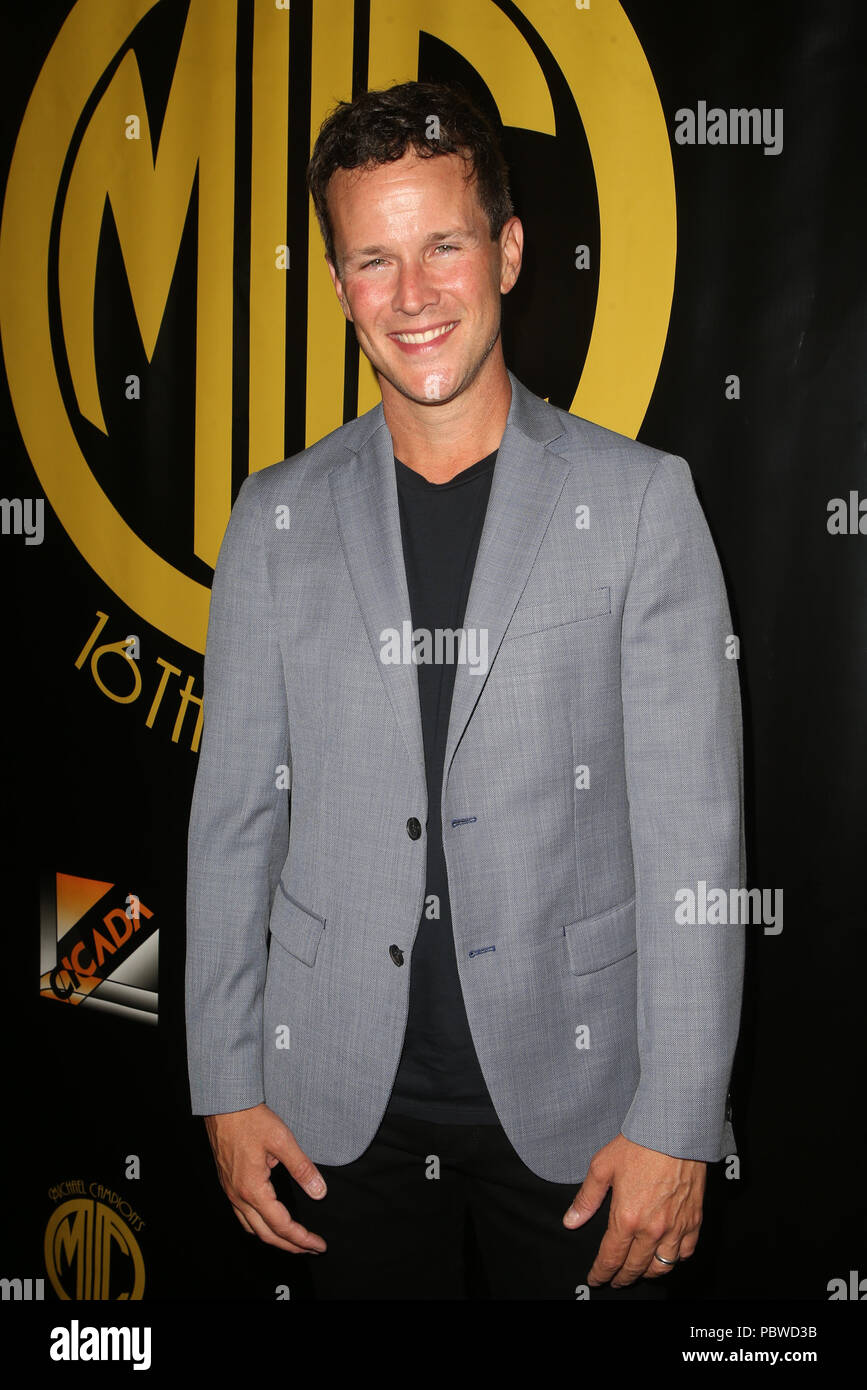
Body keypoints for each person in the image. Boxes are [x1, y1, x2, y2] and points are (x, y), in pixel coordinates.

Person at [185, 81, 745, 1300]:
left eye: (442, 244)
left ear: (506, 248)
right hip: (335, 1115)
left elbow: (695, 844)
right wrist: (224, 1082)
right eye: (372, 260)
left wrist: (681, 1118)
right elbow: (232, 825)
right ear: (338, 287)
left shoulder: (642, 505)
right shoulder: (274, 519)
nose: (414, 295)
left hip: (587, 1116)